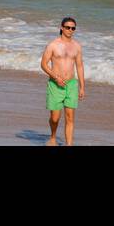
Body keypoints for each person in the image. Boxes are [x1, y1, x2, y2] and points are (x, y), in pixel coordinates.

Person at [41, 17, 85, 146]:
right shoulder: (53, 45)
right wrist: (55, 77)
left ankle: (68, 144)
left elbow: (80, 66)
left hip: (71, 84)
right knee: (55, 118)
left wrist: (82, 87)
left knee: (70, 117)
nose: (70, 30)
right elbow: (43, 64)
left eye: (73, 28)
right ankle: (53, 137)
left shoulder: (77, 46)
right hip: (55, 84)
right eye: (67, 27)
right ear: (61, 28)